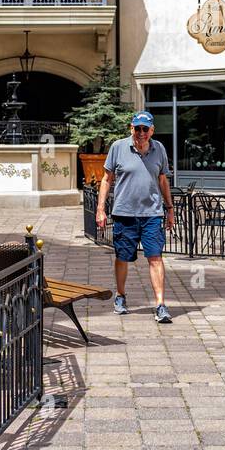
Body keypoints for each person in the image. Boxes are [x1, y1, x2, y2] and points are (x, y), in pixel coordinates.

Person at [95, 111, 175, 323]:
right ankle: (120, 296)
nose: (141, 133)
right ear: (131, 128)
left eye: (145, 129)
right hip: (124, 213)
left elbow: (163, 180)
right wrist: (100, 209)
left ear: (152, 130)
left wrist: (170, 209)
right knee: (123, 257)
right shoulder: (118, 147)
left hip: (152, 214)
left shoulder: (159, 149)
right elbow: (106, 179)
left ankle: (160, 305)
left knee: (155, 257)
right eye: (137, 128)